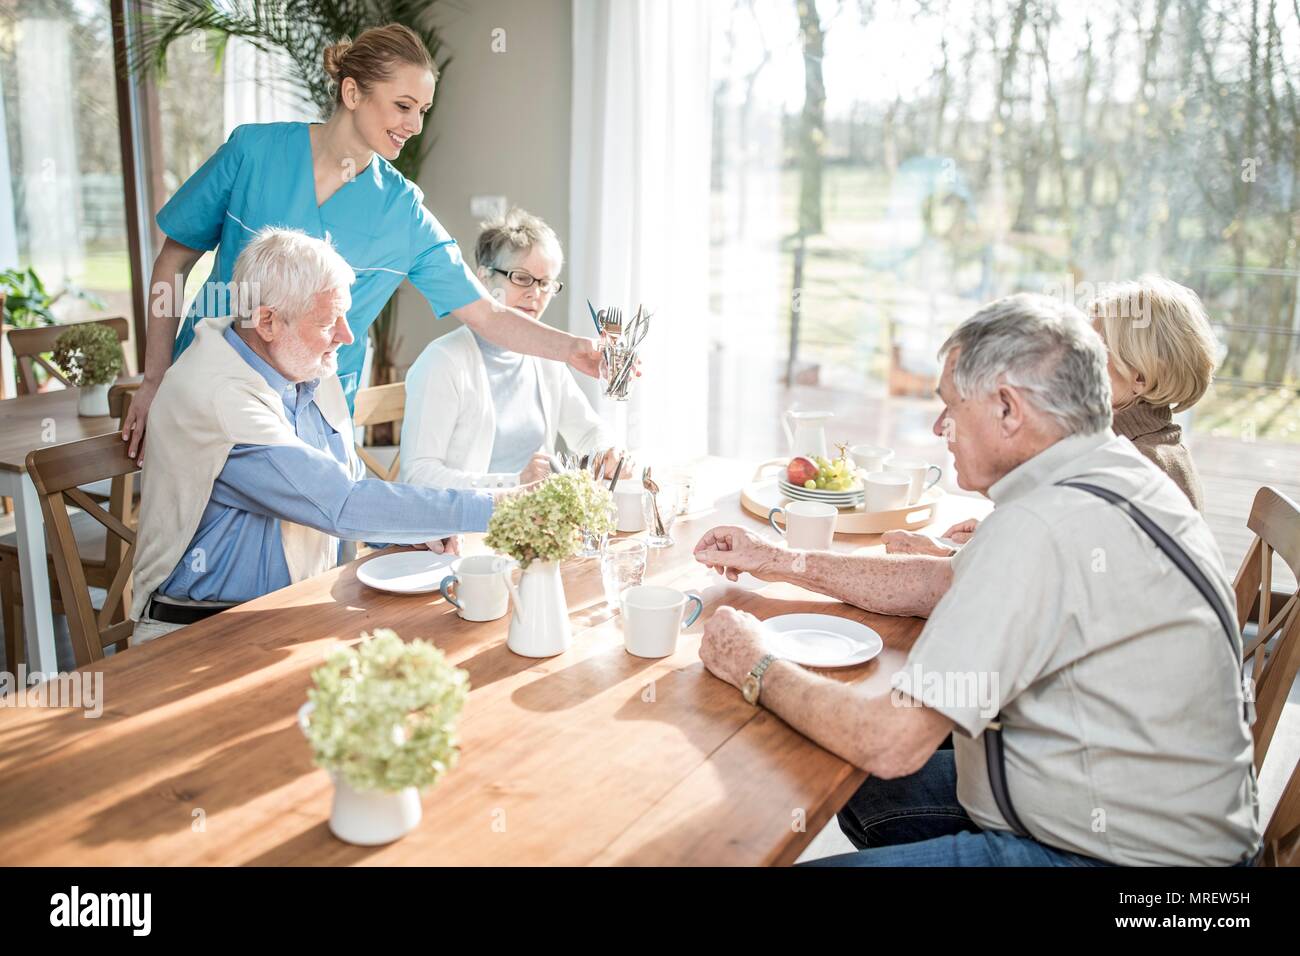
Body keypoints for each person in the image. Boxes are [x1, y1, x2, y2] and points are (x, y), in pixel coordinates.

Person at [693, 294, 1259, 866]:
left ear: (1009, 409)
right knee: (862, 795)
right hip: (1123, 804)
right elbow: (933, 584)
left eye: (951, 406)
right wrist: (777, 559)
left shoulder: (1041, 526)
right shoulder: (1112, 468)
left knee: (862, 764)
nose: (942, 427)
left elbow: (889, 740)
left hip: (1138, 866)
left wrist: (755, 665)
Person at [121, 23, 603, 460]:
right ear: (352, 92)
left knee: (314, 557)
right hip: (207, 395)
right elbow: (172, 263)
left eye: (423, 110)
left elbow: (488, 314)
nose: (415, 125)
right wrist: (156, 378)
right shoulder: (253, 152)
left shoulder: (403, 211)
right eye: (403, 106)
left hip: (311, 424)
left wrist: (574, 349)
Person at [130, 229, 502, 643]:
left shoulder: (300, 364)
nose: (346, 335)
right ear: (267, 321)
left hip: (291, 612)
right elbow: (339, 503)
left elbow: (349, 484)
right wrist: (498, 509)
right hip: (200, 633)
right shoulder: (218, 395)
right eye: (328, 322)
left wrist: (409, 527)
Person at [886, 275, 1219, 556]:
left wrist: (951, 554)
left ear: (1141, 377)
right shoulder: (1140, 442)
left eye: (1094, 352)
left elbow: (1066, 572)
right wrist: (994, 532)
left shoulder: (1139, 464)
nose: (1075, 362)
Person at [401, 208, 623, 490]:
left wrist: (605, 451)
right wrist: (514, 484)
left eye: (545, 283)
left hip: (535, 524)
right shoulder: (443, 361)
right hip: (463, 528)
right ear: (482, 278)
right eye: (521, 277)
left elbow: (588, 431)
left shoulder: (546, 359)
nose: (535, 293)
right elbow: (418, 475)